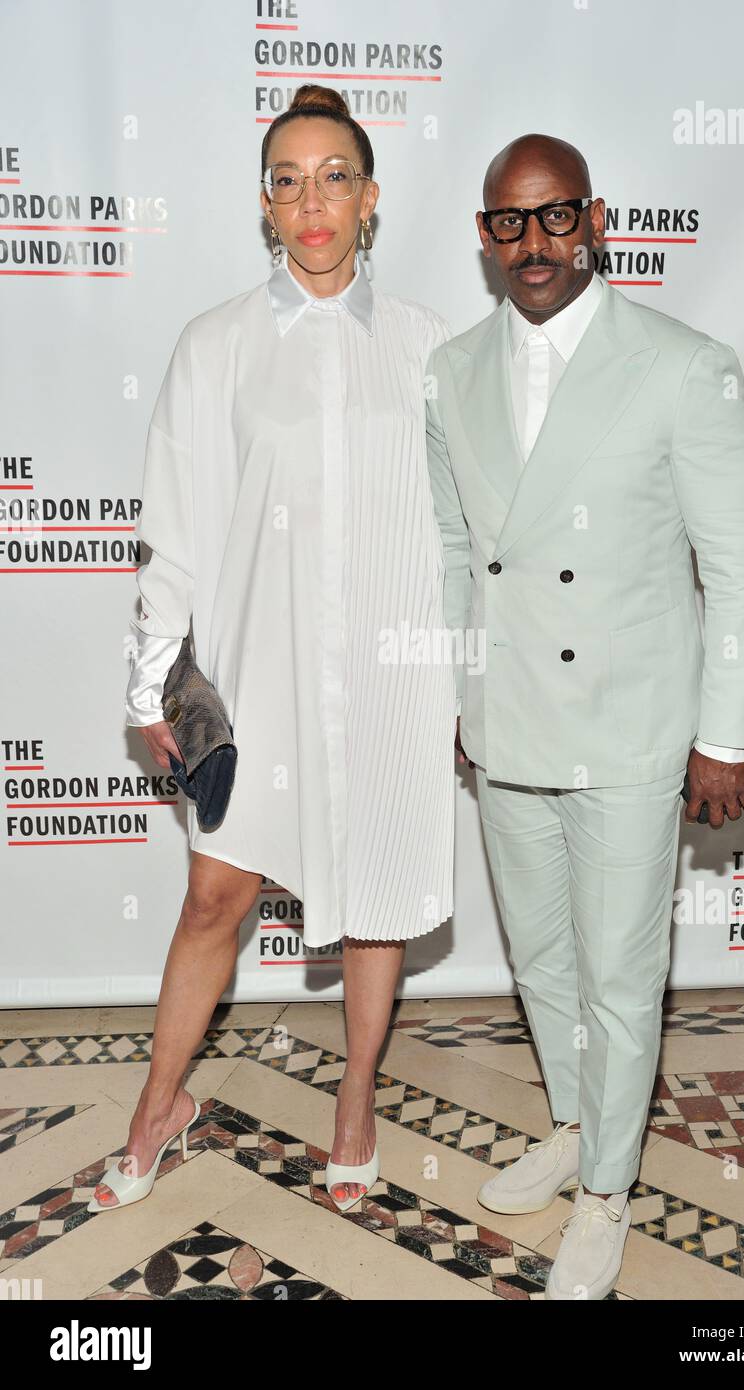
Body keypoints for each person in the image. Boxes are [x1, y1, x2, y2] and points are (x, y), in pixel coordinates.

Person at [90, 85, 456, 1215]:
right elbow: (179, 533)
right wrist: (153, 682)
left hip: (394, 672)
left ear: (371, 199)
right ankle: (163, 1100)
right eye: (289, 181)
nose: (313, 201)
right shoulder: (216, 346)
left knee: (381, 890)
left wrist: (471, 681)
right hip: (258, 669)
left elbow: (460, 530)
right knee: (216, 895)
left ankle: (356, 1095)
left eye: (335, 177)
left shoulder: (431, 348)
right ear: (265, 205)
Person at [424, 133, 744, 1300]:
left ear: (597, 219)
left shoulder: (685, 364)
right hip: (510, 722)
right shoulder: (452, 369)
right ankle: (578, 1126)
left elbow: (739, 566)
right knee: (542, 958)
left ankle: (611, 1189)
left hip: (633, 727)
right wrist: (455, 689)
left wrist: (723, 736)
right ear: (486, 237)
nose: (534, 243)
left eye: (556, 216)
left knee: (624, 973)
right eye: (510, 224)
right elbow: (452, 552)